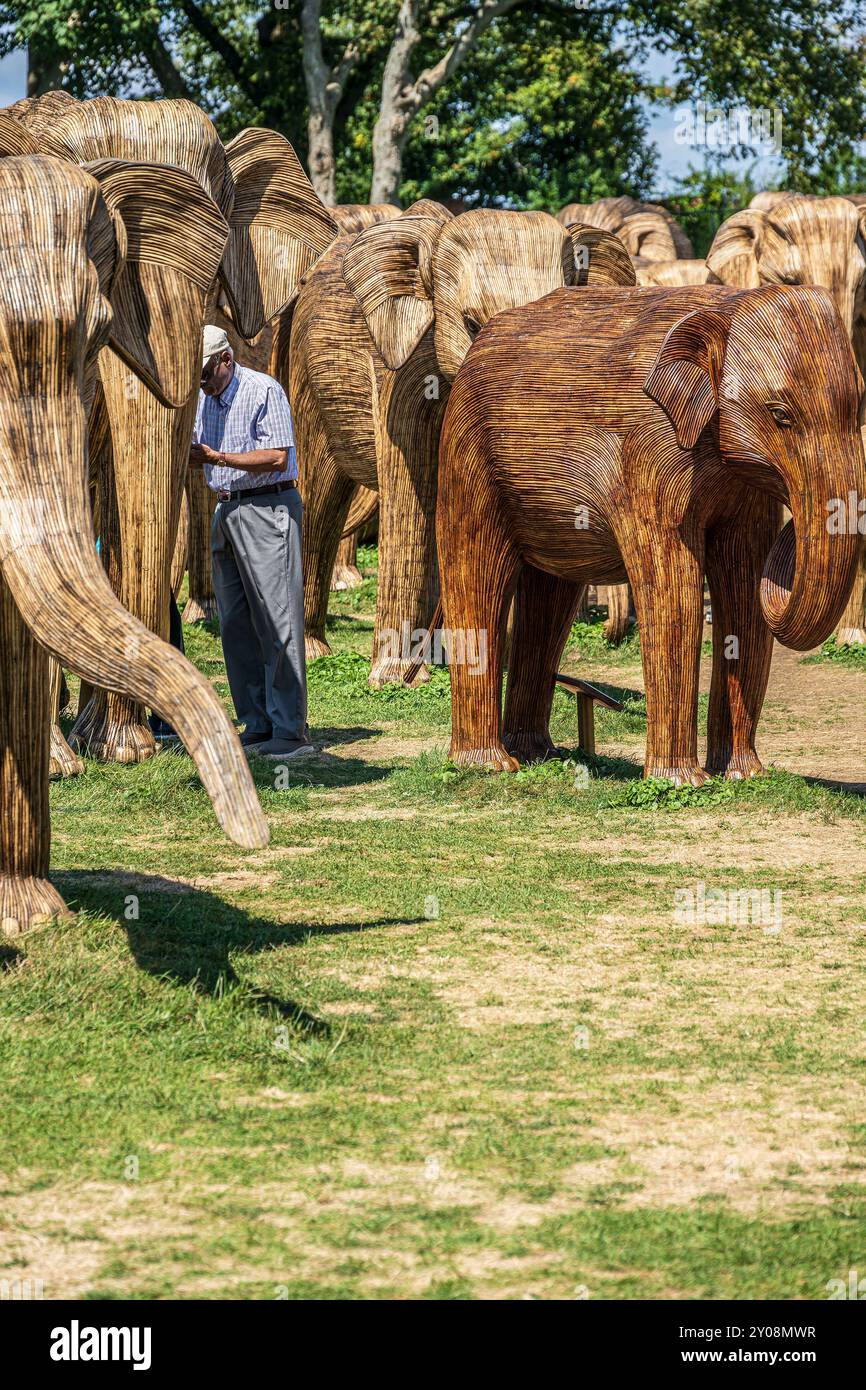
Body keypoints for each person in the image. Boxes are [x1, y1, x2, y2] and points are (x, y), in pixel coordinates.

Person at [189, 325, 312, 759]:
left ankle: (289, 730)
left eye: (204, 373)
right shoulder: (201, 397)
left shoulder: (263, 391)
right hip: (226, 510)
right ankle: (257, 722)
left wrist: (218, 457)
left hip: (268, 507)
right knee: (235, 624)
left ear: (225, 359)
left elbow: (279, 455)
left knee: (277, 621)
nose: (200, 383)